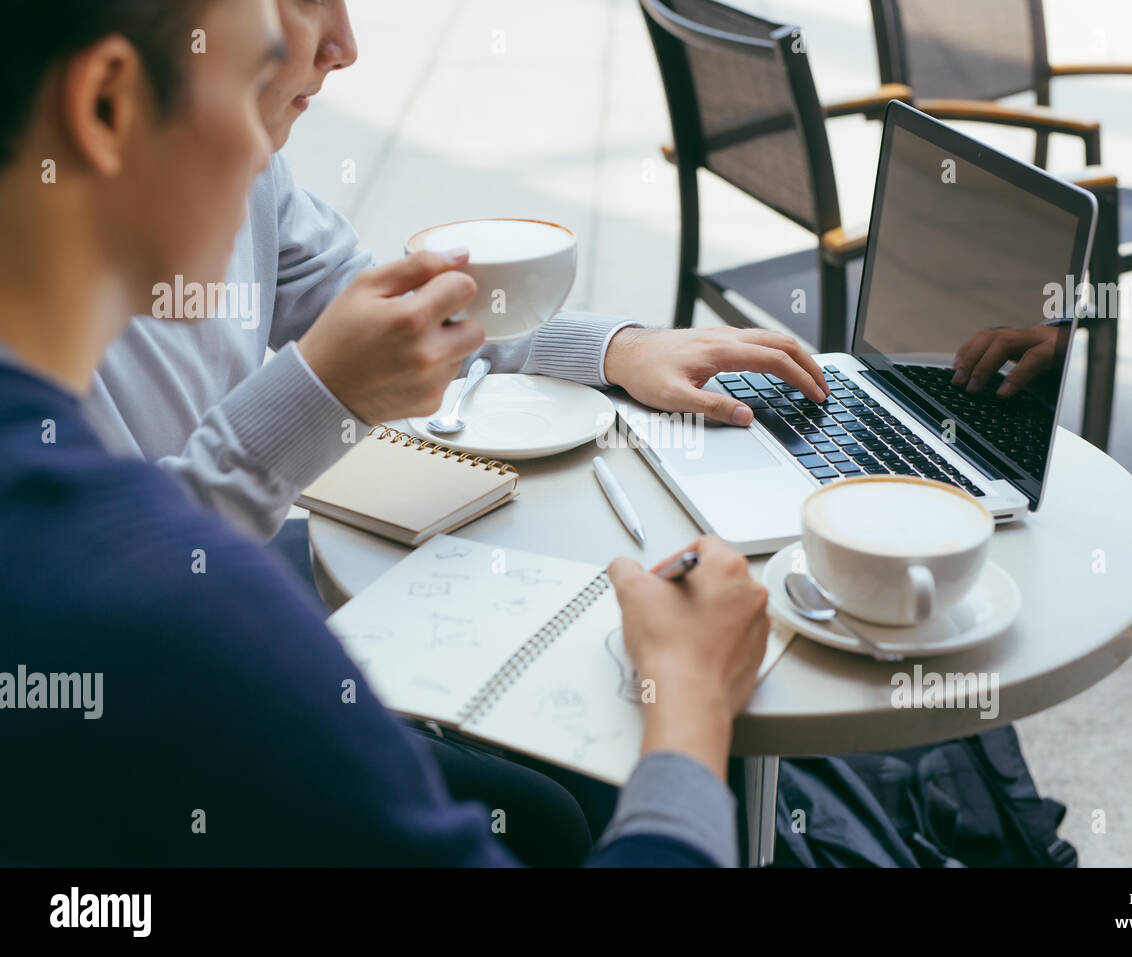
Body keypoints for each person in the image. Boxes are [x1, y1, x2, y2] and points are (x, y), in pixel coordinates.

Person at [0, 0, 770, 867]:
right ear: (107, 104)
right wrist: (693, 721)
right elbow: (150, 590)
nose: (343, 50)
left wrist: (609, 345)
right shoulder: (164, 612)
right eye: (253, 75)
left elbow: (368, 299)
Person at [83, 0, 831, 547]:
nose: (344, 46)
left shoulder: (252, 173)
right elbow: (92, 590)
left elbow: (392, 316)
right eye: (304, 0)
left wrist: (615, 348)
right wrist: (320, 396)